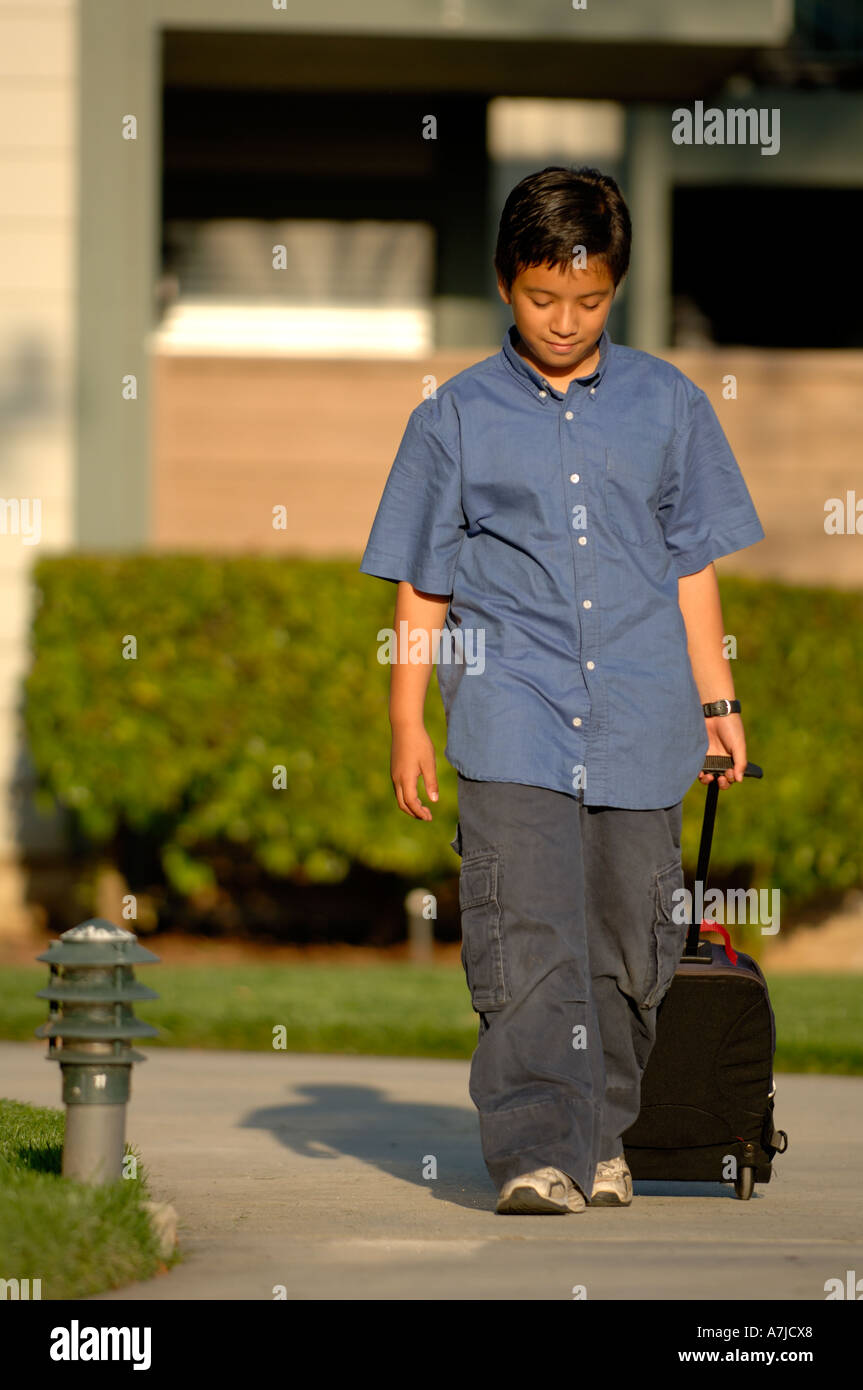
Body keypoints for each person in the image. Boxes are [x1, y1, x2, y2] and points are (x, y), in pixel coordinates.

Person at [359, 166, 765, 1215]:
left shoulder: (667, 405)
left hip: (641, 714)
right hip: (510, 709)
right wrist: (405, 716)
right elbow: (423, 579)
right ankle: (535, 1146)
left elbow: (690, 565)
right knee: (525, 930)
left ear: (614, 287)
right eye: (543, 299)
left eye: (587, 302)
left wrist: (717, 703)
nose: (564, 321)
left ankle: (599, 1134)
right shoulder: (453, 418)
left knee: (631, 944)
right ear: (505, 283)